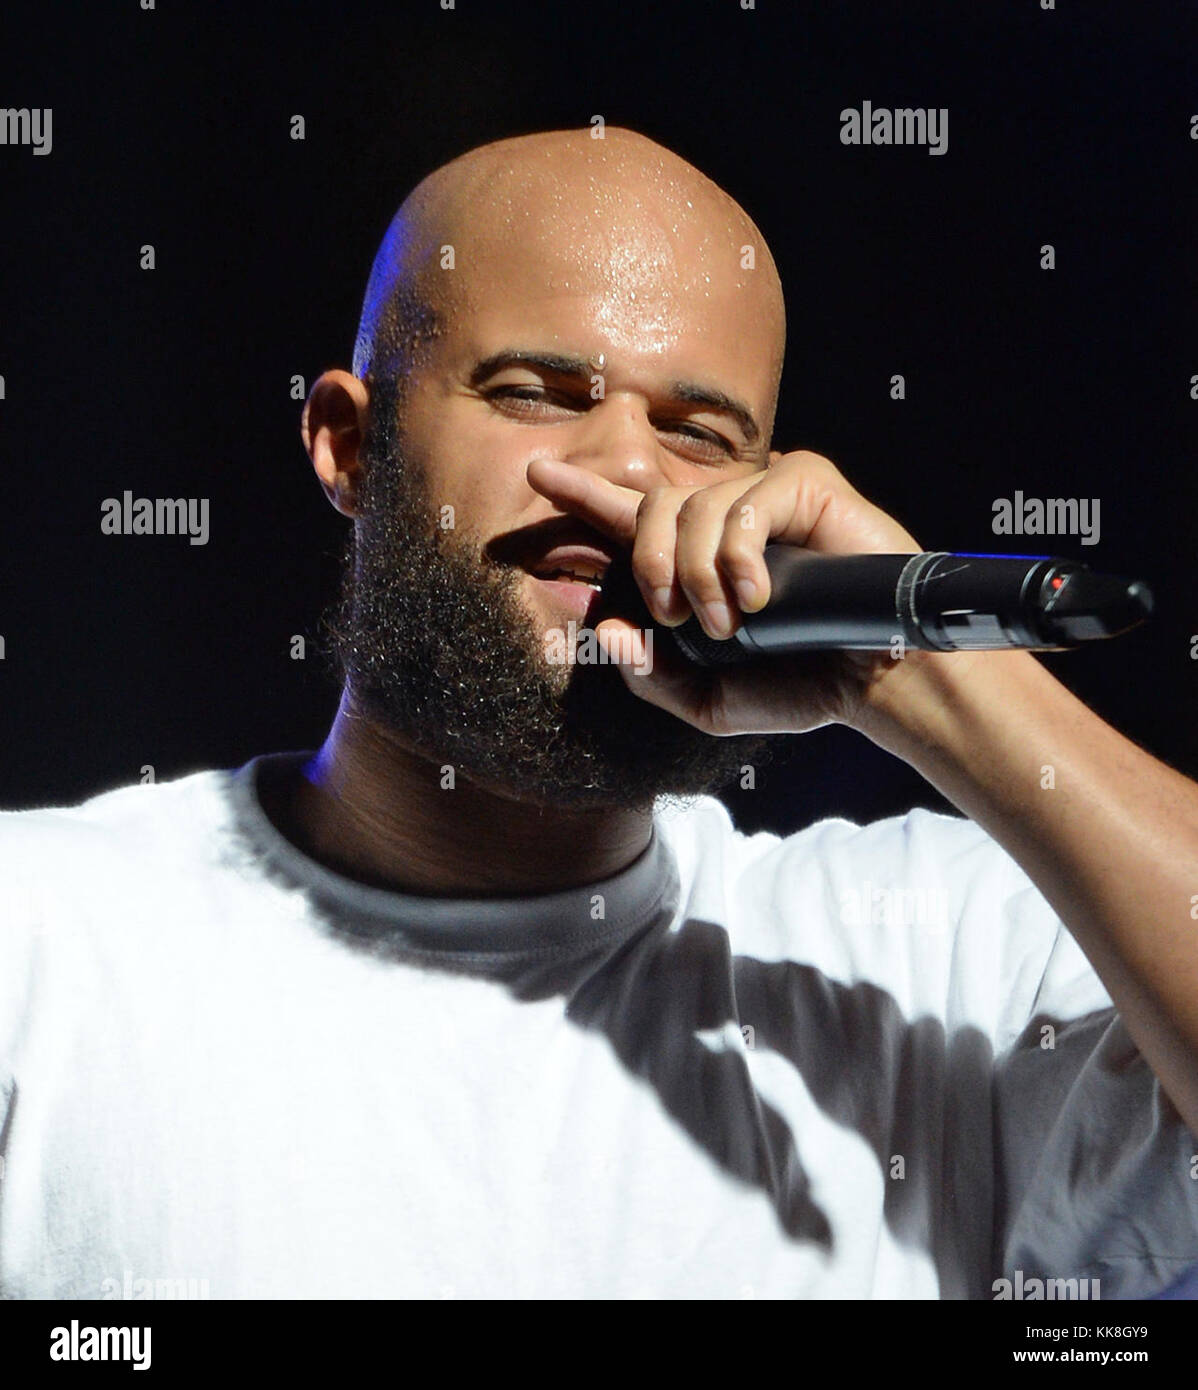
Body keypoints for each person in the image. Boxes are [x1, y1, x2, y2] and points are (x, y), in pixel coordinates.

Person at [2, 125, 1196, 1300]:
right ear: (350, 445)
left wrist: (920, 673)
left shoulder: (931, 957)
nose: (628, 470)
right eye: (533, 392)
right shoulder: (46, 937)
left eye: (696, 433)